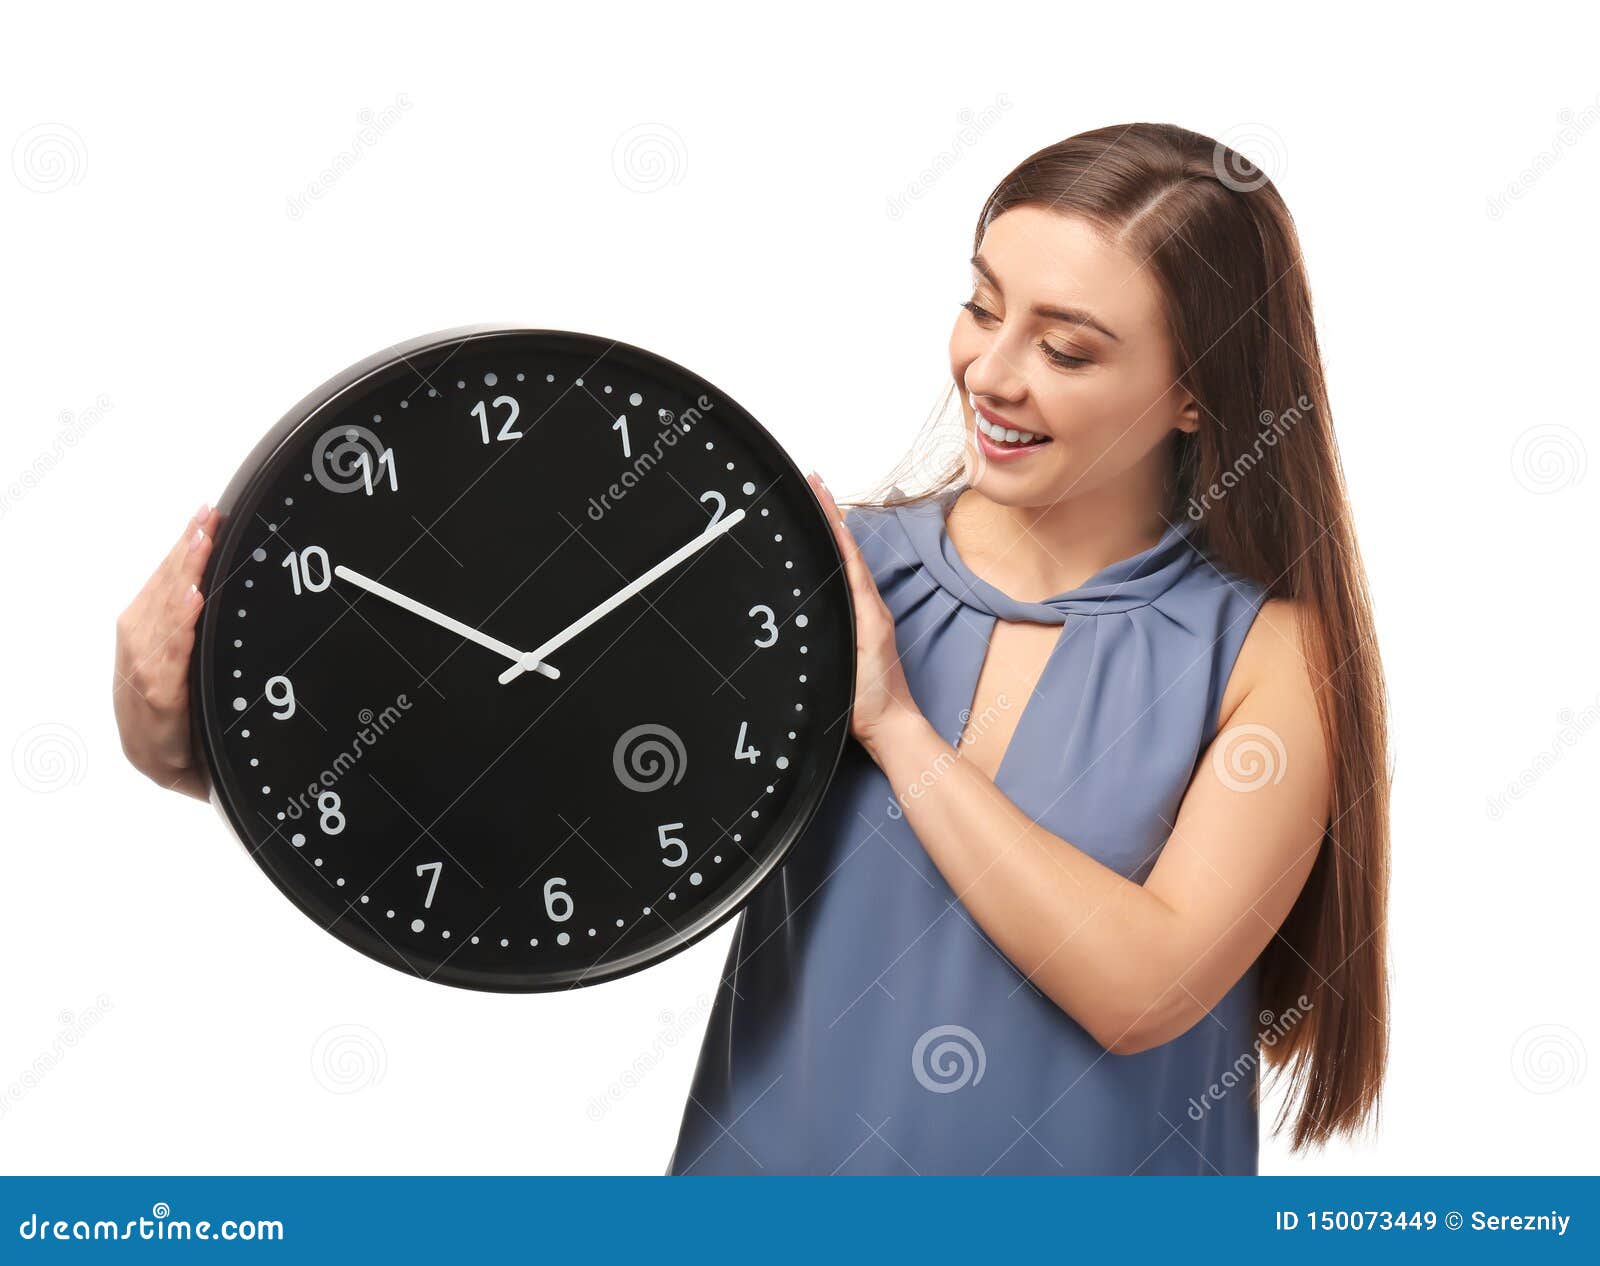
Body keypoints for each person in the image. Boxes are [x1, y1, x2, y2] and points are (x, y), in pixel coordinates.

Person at [116, 122, 1390, 1177]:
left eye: (1064, 347)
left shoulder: (1265, 653)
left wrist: (894, 728)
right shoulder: (816, 570)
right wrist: (179, 734)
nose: (988, 372)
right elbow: (508, 786)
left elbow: (1146, 990)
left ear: (1194, 389)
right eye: (980, 306)